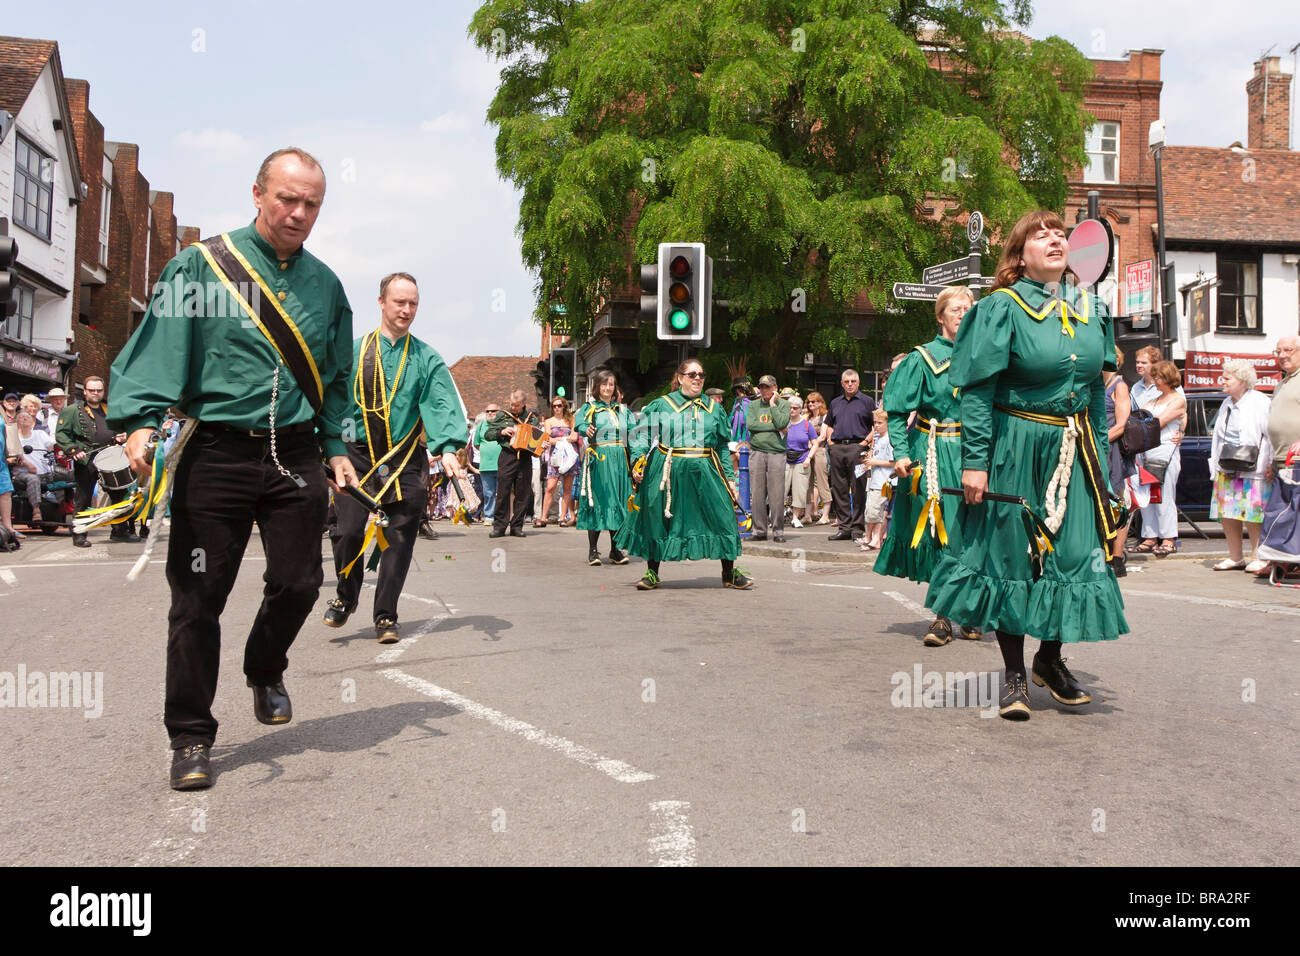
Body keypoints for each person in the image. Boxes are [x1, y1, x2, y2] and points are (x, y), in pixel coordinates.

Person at [109, 147, 357, 790]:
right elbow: (161, 345)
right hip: (216, 453)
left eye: (312, 204)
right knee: (197, 600)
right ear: (257, 193)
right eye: (287, 199)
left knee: (302, 582)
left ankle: (264, 665)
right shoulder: (201, 266)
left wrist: (336, 446)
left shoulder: (327, 286)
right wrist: (139, 423)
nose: (299, 213)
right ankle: (190, 736)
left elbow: (333, 379)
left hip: (295, 452)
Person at [925, 209, 1126, 720]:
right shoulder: (1000, 309)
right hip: (1015, 445)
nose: (1055, 239)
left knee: (1075, 556)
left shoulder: (1090, 307)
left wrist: (1099, 465)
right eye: (1041, 235)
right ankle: (1014, 672)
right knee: (1012, 558)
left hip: (1072, 448)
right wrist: (975, 463)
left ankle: (1050, 660)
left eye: (1060, 233)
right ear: (1019, 254)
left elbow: (1096, 398)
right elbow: (976, 392)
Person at [323, 272, 466, 643]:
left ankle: (386, 616)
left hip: (404, 461)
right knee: (348, 531)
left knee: (397, 540)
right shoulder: (351, 351)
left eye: (413, 303)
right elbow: (331, 399)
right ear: (382, 302)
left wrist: (447, 447)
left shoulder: (426, 357)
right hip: (355, 458)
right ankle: (346, 594)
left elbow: (439, 401)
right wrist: (327, 448)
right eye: (399, 302)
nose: (406, 309)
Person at [875, 286, 981, 643]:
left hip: (973, 451)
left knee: (974, 531)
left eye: (968, 308)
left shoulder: (982, 354)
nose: (963, 313)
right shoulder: (922, 358)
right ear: (940, 316)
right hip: (932, 450)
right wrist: (902, 454)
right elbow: (897, 412)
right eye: (956, 309)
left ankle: (967, 609)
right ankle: (942, 616)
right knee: (942, 531)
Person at [617, 358, 751, 590]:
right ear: (680, 378)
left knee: (723, 516)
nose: (697, 378)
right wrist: (638, 462)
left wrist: (729, 477)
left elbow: (721, 444)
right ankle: (652, 572)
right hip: (667, 469)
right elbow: (641, 436)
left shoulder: (714, 408)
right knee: (657, 518)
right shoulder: (662, 405)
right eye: (692, 374)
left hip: (706, 468)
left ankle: (729, 573)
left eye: (701, 374)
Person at [1204, 359, 1273, 573]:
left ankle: (1257, 555)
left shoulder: (1260, 402)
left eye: (1227, 378)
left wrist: (1269, 462)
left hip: (1253, 466)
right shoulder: (1226, 403)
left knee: (1253, 512)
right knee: (1228, 511)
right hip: (1227, 464)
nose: (1222, 381)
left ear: (1242, 380)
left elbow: (1269, 435)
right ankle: (1235, 556)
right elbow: (1217, 435)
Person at [56, 375, 136, 546]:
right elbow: (61, 434)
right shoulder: (72, 410)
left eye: (99, 390)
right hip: (87, 459)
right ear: (84, 391)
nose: (95, 393)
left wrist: (121, 436)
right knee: (83, 497)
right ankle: (79, 534)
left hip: (110, 456)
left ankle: (119, 531)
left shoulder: (110, 408)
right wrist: (73, 450)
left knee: (119, 494)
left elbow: (120, 429)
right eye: (91, 390)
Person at [575, 369, 632, 566]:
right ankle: (593, 550)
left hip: (620, 460)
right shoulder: (589, 407)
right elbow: (580, 425)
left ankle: (615, 549)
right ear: (597, 387)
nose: (608, 388)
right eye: (604, 384)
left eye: (611, 384)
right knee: (599, 502)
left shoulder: (623, 410)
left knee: (618, 502)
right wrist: (586, 429)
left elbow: (634, 435)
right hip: (600, 458)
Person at [1133, 361, 1186, 557]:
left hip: (1166, 452)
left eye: (1158, 377)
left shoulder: (1177, 399)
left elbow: (1159, 423)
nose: (1154, 380)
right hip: (1147, 452)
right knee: (1148, 495)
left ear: (1167, 378)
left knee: (1165, 496)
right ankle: (1149, 536)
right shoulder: (1154, 399)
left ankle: (1169, 538)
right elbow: (1140, 417)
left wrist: (1143, 425)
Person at [1259, 336, 1300, 575]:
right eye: (1278, 351)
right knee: (1282, 514)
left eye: (1289, 350)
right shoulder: (1282, 383)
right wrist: (1271, 460)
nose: (1283, 355)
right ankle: (1282, 559)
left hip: (1297, 460)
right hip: (1281, 459)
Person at [824, 369, 876, 541]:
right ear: (842, 383)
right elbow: (829, 424)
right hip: (838, 449)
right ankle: (844, 527)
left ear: (858, 382)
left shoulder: (867, 402)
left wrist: (864, 443)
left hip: (857, 448)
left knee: (859, 488)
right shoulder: (835, 402)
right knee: (839, 489)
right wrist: (831, 443)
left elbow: (875, 426)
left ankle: (857, 529)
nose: (850, 384)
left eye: (853, 381)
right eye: (846, 381)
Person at [485, 389, 542, 538]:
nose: (512, 407)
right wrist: (501, 432)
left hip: (525, 458)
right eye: (511, 404)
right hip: (507, 456)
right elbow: (488, 434)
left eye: (516, 405)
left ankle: (517, 526)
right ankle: (499, 526)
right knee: (503, 492)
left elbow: (538, 439)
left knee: (523, 493)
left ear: (523, 404)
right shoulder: (502, 416)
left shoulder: (531, 419)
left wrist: (542, 444)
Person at [745, 374, 791, 542]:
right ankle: (759, 531)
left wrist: (772, 405)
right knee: (756, 493)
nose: (764, 390)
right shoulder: (753, 405)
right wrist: (774, 427)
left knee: (777, 494)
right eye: (762, 387)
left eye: (768, 387)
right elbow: (751, 425)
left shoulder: (784, 404)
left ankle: (778, 531)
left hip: (777, 452)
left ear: (775, 388)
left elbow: (781, 422)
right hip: (757, 452)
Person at [1103, 347, 1132, 573]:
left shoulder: (1119, 386)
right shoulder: (1096, 385)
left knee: (1117, 503)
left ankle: (1117, 557)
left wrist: (1097, 442)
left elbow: (1121, 425)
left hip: (1112, 451)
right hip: (1099, 449)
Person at [538, 396, 579, 527]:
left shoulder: (571, 420)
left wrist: (558, 440)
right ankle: (543, 517)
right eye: (554, 406)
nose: (556, 408)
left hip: (569, 457)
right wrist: (565, 439)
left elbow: (574, 437)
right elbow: (548, 439)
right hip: (554, 457)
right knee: (550, 487)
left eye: (559, 405)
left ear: (564, 407)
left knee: (567, 489)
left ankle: (562, 517)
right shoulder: (549, 421)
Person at [861, 410, 894, 550]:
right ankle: (872, 538)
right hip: (875, 480)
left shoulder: (889, 439)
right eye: (875, 422)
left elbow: (893, 462)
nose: (876, 425)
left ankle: (876, 539)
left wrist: (874, 462)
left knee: (876, 512)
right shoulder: (878, 438)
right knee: (872, 511)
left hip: (884, 481)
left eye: (880, 423)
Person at [784, 395, 817, 528]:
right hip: (785, 459)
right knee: (780, 489)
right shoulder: (783, 423)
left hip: (802, 459)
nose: (792, 410)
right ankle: (776, 517)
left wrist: (809, 458)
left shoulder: (806, 424)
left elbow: (815, 443)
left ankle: (796, 517)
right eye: (790, 408)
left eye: (795, 408)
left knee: (800, 490)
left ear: (800, 409)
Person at [9, 410, 49, 519]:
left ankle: (65, 508)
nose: (25, 418)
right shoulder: (13, 439)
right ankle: (36, 510)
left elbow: (52, 446)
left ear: (32, 421)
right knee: (33, 478)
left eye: (27, 417)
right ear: (16, 422)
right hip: (22, 474)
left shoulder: (40, 434)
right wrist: (25, 463)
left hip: (45, 472)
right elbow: (9, 459)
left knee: (69, 476)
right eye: (21, 417)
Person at [802, 391, 832, 523]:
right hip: (807, 451)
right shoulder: (806, 418)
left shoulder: (825, 417)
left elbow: (822, 436)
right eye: (808, 402)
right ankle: (807, 515)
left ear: (820, 403)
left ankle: (825, 515)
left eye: (813, 402)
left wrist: (811, 444)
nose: (810, 404)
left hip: (820, 451)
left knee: (822, 482)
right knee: (807, 483)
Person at [473, 403, 501, 522]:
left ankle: (500, 517)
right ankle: (489, 516)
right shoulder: (481, 426)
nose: (490, 413)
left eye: (493, 411)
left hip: (501, 465)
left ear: (499, 412)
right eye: (487, 411)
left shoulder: (503, 425)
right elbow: (476, 444)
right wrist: (488, 451)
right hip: (485, 465)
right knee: (488, 493)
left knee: (501, 494)